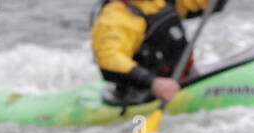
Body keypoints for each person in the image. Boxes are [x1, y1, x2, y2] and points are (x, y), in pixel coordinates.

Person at [90, 0, 229, 107]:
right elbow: (108, 58)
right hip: (141, 96)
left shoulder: (160, 1)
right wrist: (153, 83)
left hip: (181, 80)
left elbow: (202, 3)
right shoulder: (115, 16)